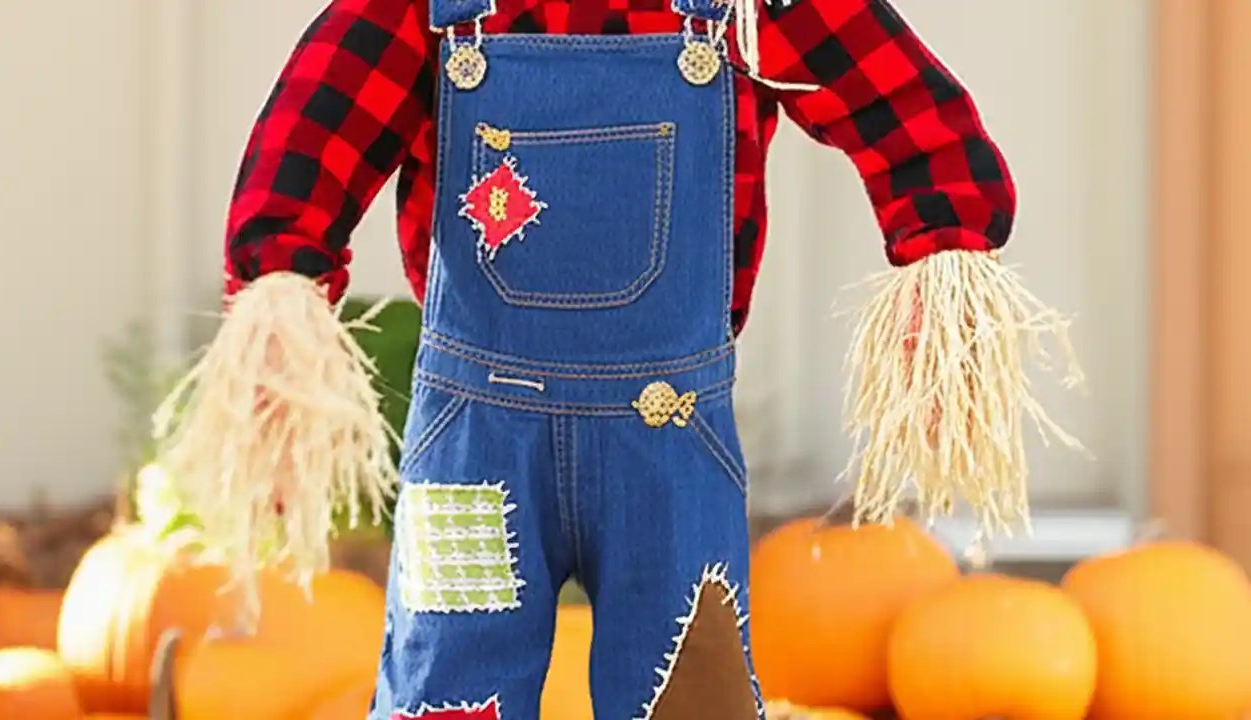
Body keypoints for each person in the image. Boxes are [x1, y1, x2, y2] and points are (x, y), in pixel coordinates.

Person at [155, 0, 1082, 717]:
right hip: (477, 453)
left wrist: (945, 241)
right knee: (449, 688)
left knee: (690, 688)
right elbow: (324, 116)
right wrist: (281, 272)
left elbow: (894, 97)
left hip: (667, 442)